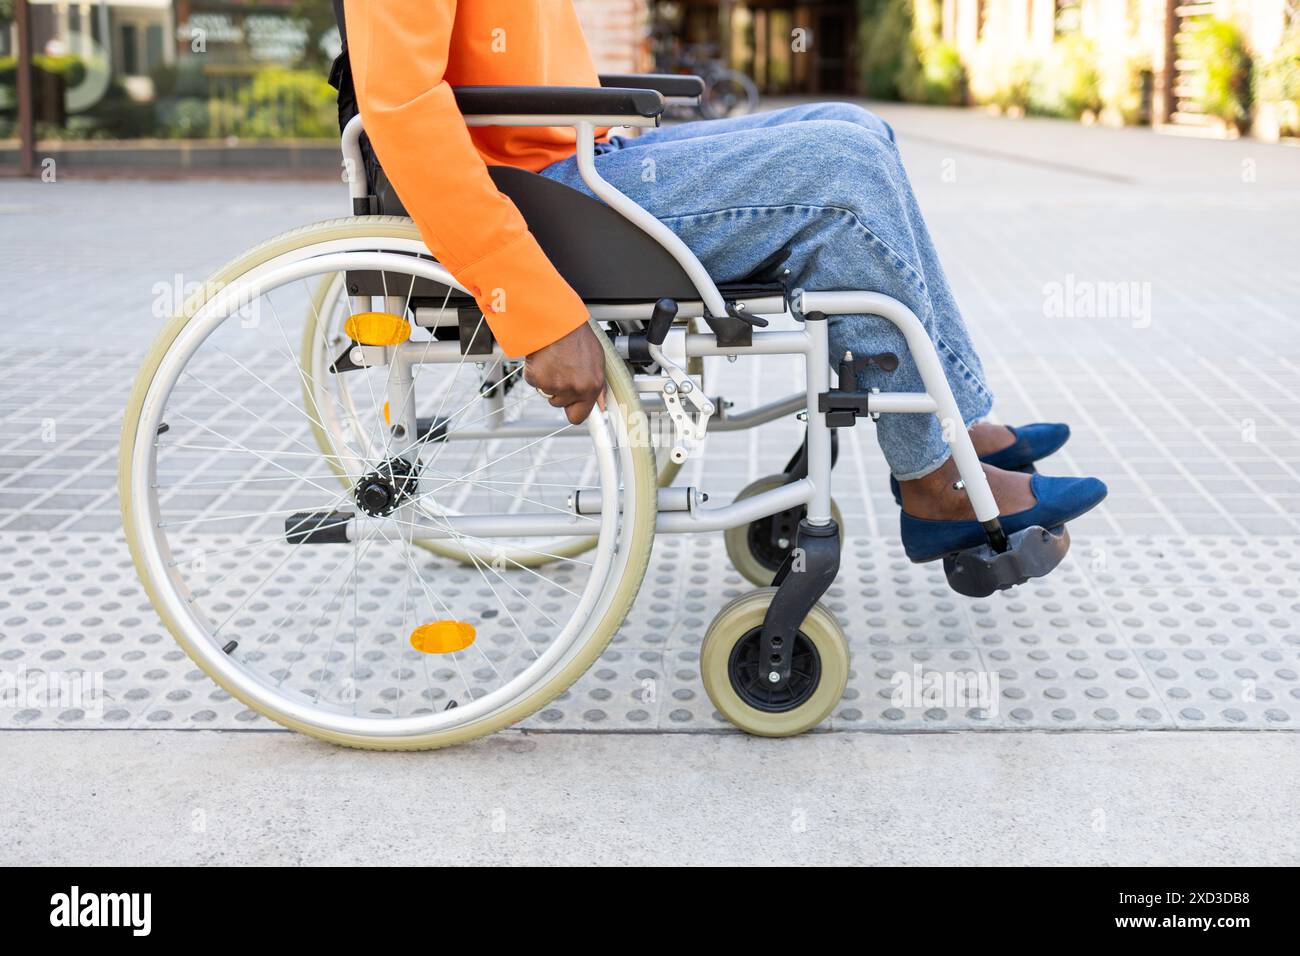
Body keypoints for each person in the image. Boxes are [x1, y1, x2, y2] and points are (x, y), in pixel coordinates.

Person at [340, 1, 1106, 562]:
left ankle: (954, 423)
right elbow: (401, 108)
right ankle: (933, 480)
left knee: (857, 126)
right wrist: (532, 310)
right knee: (842, 171)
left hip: (579, 160)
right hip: (542, 196)